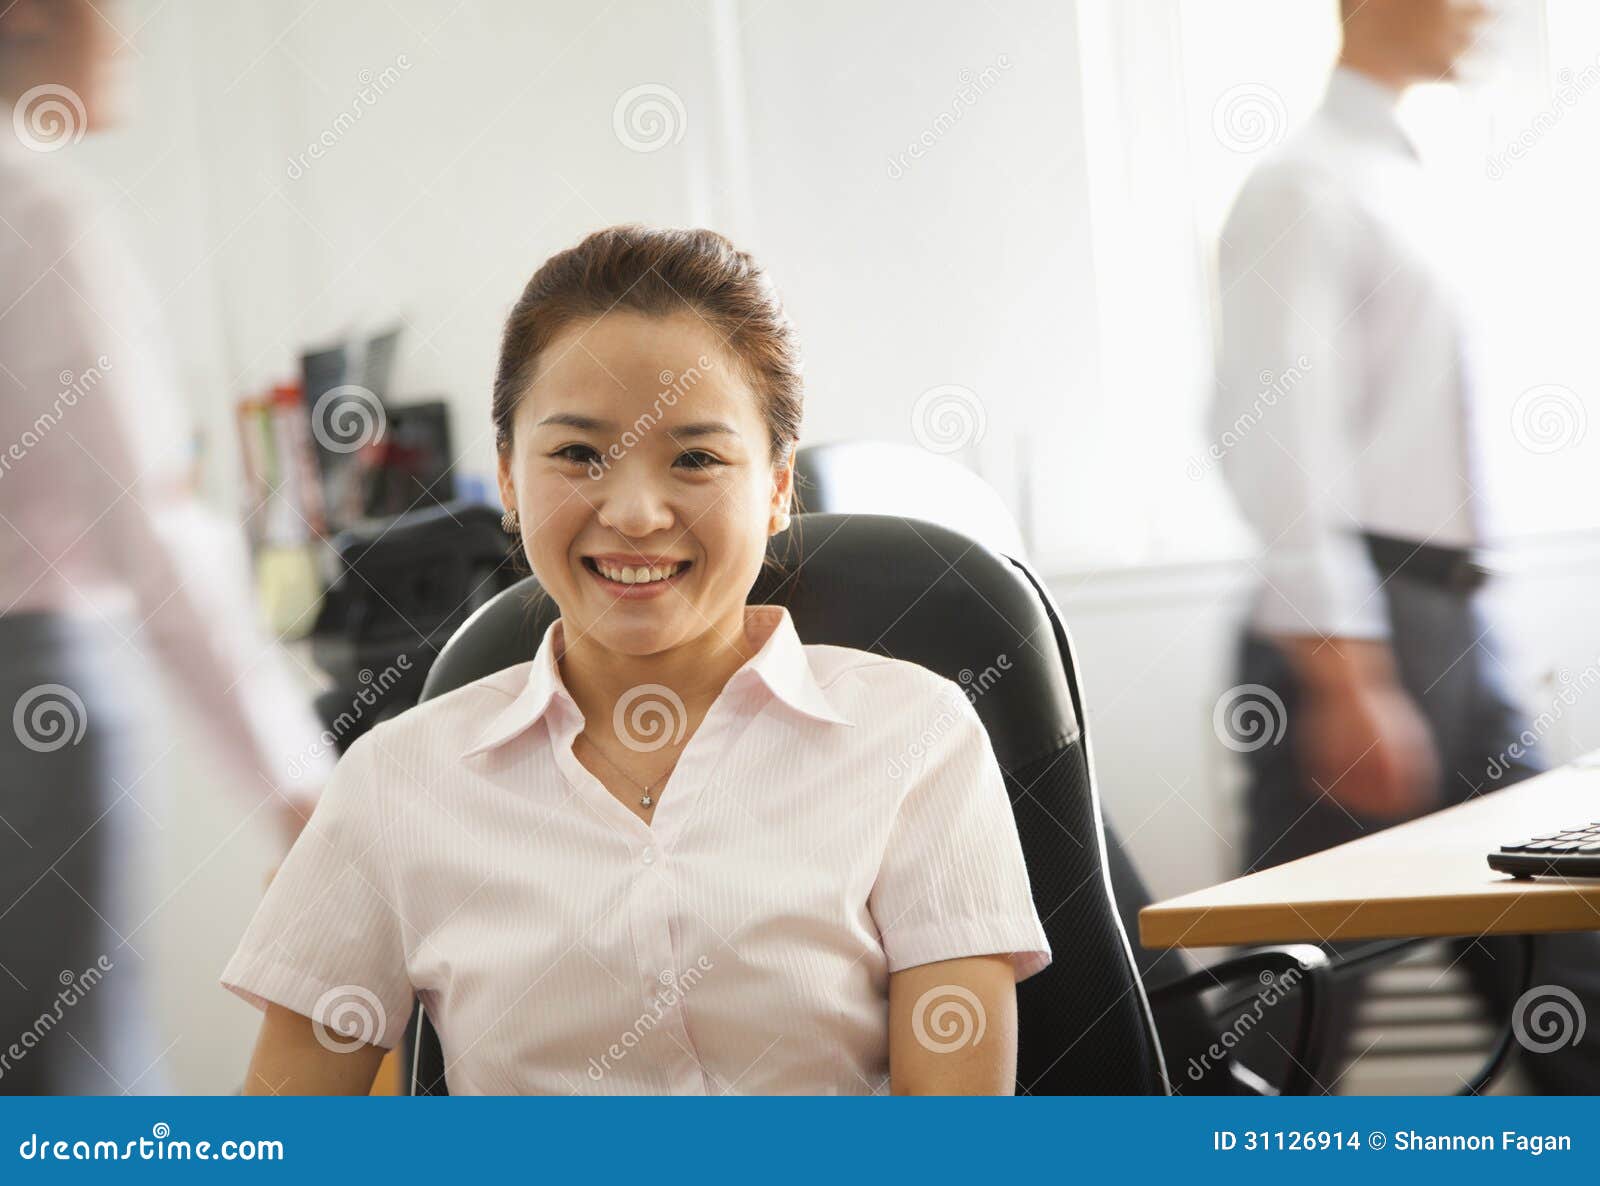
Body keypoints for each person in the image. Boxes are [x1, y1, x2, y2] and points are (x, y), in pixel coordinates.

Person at [220, 225, 1052, 1096]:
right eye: (579, 455)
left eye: (695, 458)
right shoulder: (396, 781)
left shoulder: (914, 737)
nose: (636, 512)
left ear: (775, 487)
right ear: (508, 479)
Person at [1211, 0, 1600, 1092]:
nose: (1488, 9)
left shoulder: (1415, 180)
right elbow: (1275, 445)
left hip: (1453, 623)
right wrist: (1349, 676)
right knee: (1288, 1007)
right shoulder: (1303, 186)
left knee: (1561, 959)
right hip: (1367, 627)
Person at [0, 0, 330, 1094]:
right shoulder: (38, 208)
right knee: (66, 1089)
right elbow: (145, 527)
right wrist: (294, 783)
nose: (132, 36)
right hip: (35, 695)